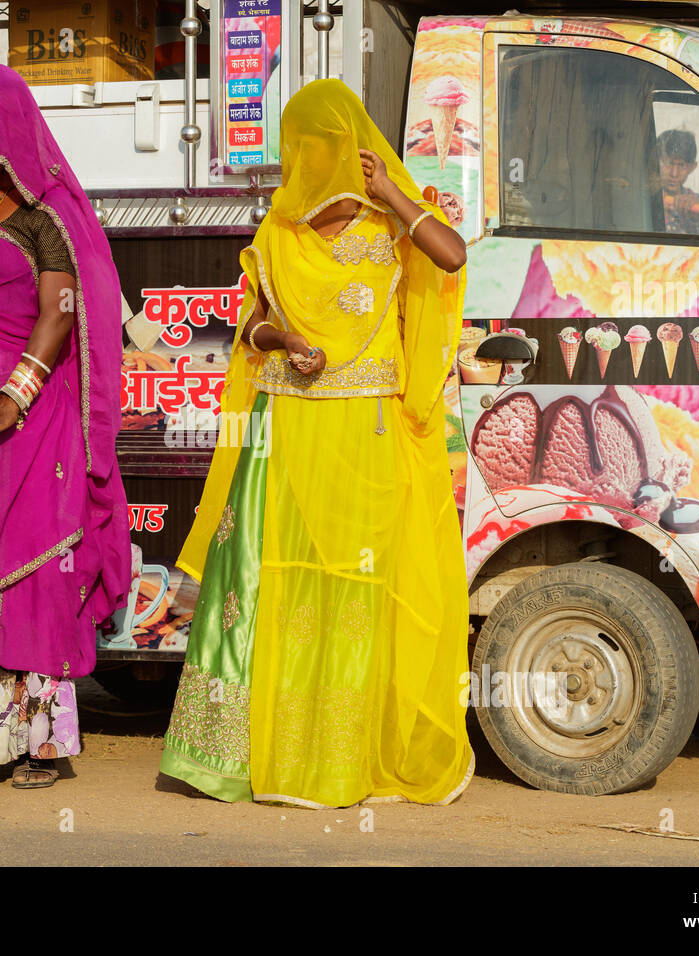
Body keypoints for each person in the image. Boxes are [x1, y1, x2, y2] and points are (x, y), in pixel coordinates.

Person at [159, 79, 472, 809]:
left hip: (366, 433)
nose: (313, 159)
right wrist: (287, 340)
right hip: (287, 431)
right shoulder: (279, 235)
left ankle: (340, 761)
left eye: (325, 145)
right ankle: (259, 756)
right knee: (276, 586)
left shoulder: (392, 224)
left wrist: (393, 194)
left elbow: (452, 257)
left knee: (356, 590)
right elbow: (250, 330)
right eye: (305, 146)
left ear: (355, 146)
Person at [0, 64, 131, 788]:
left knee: (36, 570)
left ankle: (39, 741)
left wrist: (6, 407)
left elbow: (58, 318)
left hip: (29, 418)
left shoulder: (46, 221)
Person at [657, 129, 699, 235]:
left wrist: (697, 220)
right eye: (668, 163)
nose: (674, 173)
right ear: (656, 162)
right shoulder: (646, 200)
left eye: (681, 165)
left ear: (692, 167)